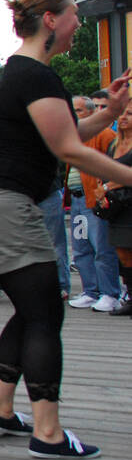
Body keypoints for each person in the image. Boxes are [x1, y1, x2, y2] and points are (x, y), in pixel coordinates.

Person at [0, 0, 132, 459]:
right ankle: (49, 433)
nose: (79, 23)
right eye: (75, 14)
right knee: (45, 312)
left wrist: (110, 113)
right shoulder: (35, 75)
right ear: (52, 20)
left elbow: (66, 134)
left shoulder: (27, 73)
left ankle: (0, 407)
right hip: (4, 206)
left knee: (31, 307)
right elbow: (70, 150)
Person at [66, 92, 121, 312]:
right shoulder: (74, 135)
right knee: (81, 248)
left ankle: (109, 292)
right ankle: (91, 291)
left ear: (91, 111)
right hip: (77, 200)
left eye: (78, 110)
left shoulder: (105, 134)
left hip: (94, 200)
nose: (74, 114)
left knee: (101, 248)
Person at [100, 105, 132, 315]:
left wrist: (110, 185)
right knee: (122, 253)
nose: (123, 117)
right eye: (121, 113)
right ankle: (130, 296)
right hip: (117, 206)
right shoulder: (114, 144)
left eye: (129, 114)